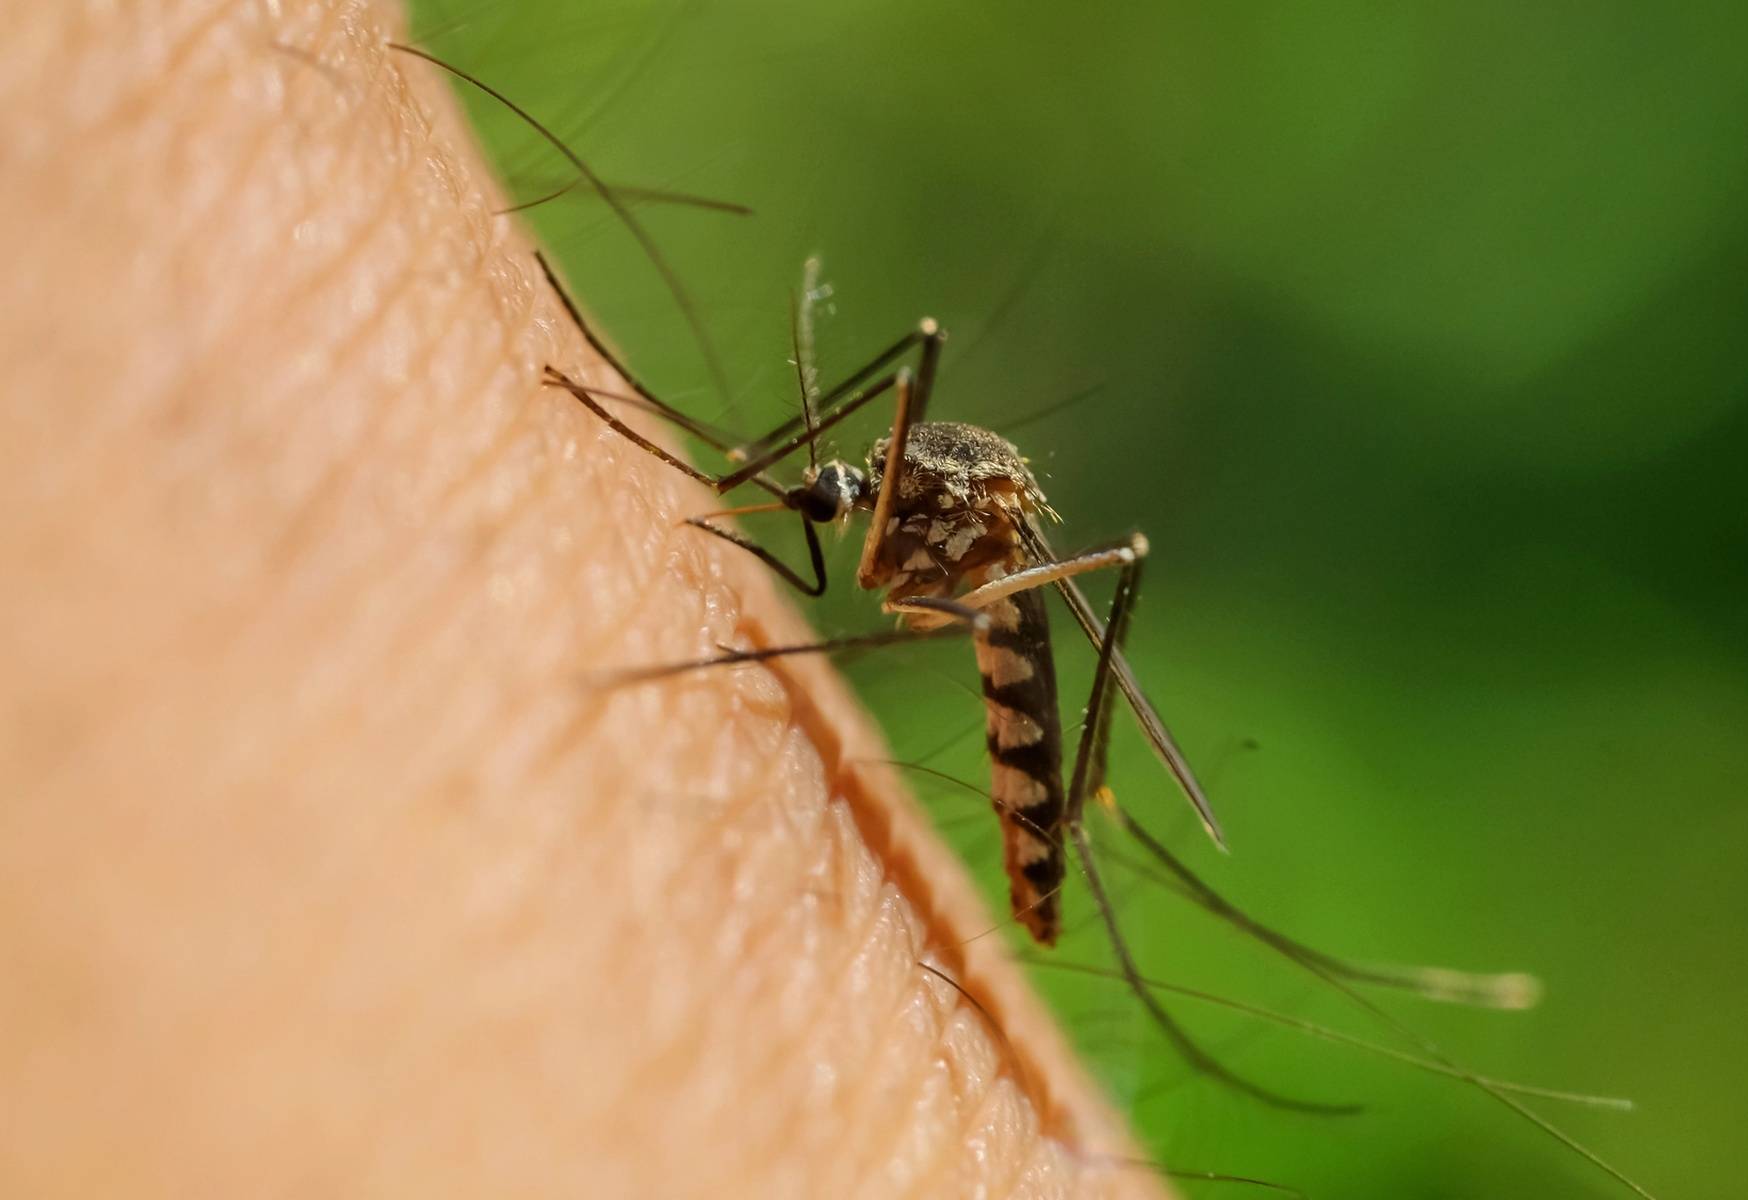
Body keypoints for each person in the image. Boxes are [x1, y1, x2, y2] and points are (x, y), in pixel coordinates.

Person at [0, 3, 1158, 1195]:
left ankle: (1069, 820)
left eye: (816, 496)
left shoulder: (931, 509)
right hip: (950, 541)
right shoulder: (882, 488)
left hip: (1002, 622)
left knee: (1076, 545)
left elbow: (968, 531)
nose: (817, 508)